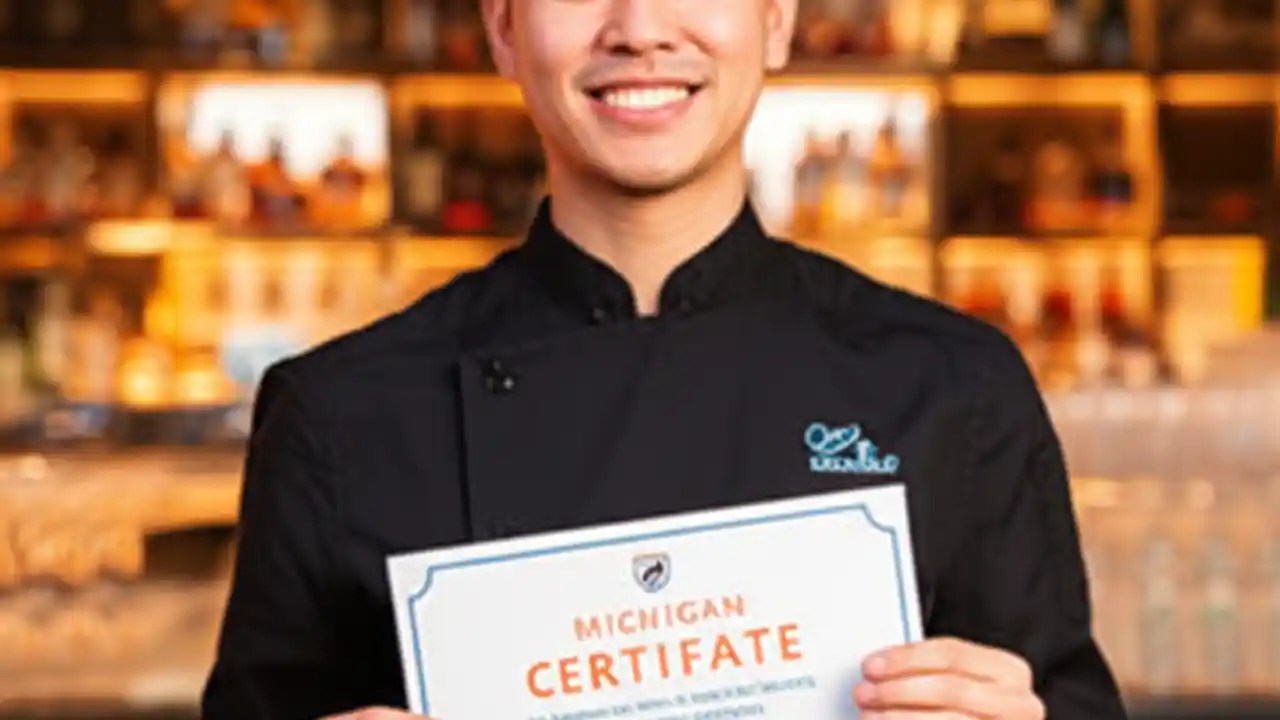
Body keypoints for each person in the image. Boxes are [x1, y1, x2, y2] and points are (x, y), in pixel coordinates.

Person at [203, 1, 1128, 718]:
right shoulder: (339, 417)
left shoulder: (956, 388)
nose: (640, 29)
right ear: (503, 28)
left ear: (776, 20)